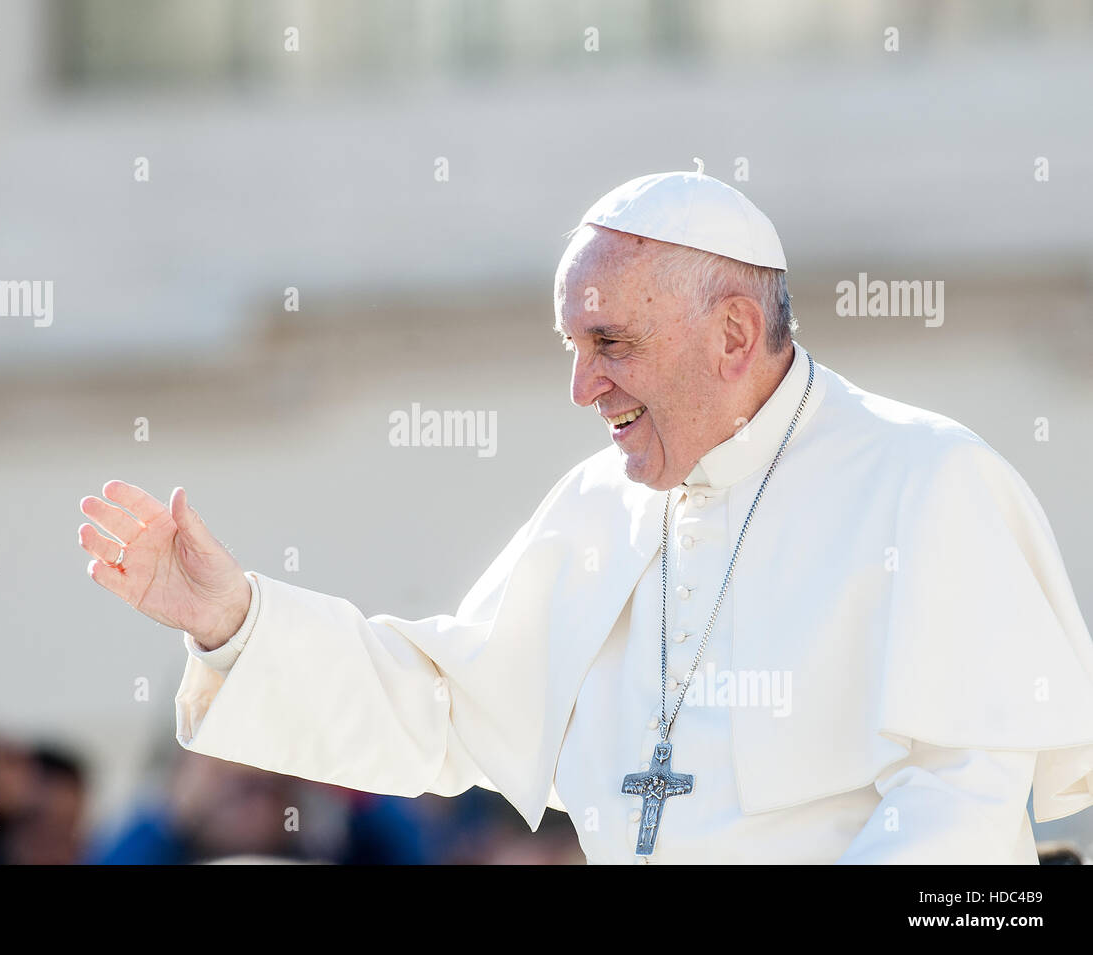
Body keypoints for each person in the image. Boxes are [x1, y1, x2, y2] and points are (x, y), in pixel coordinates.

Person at [77, 167, 1093, 864]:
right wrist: (234, 620)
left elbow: (959, 812)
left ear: (734, 330)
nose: (582, 386)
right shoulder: (595, 512)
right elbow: (439, 712)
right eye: (570, 345)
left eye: (608, 342)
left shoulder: (925, 480)